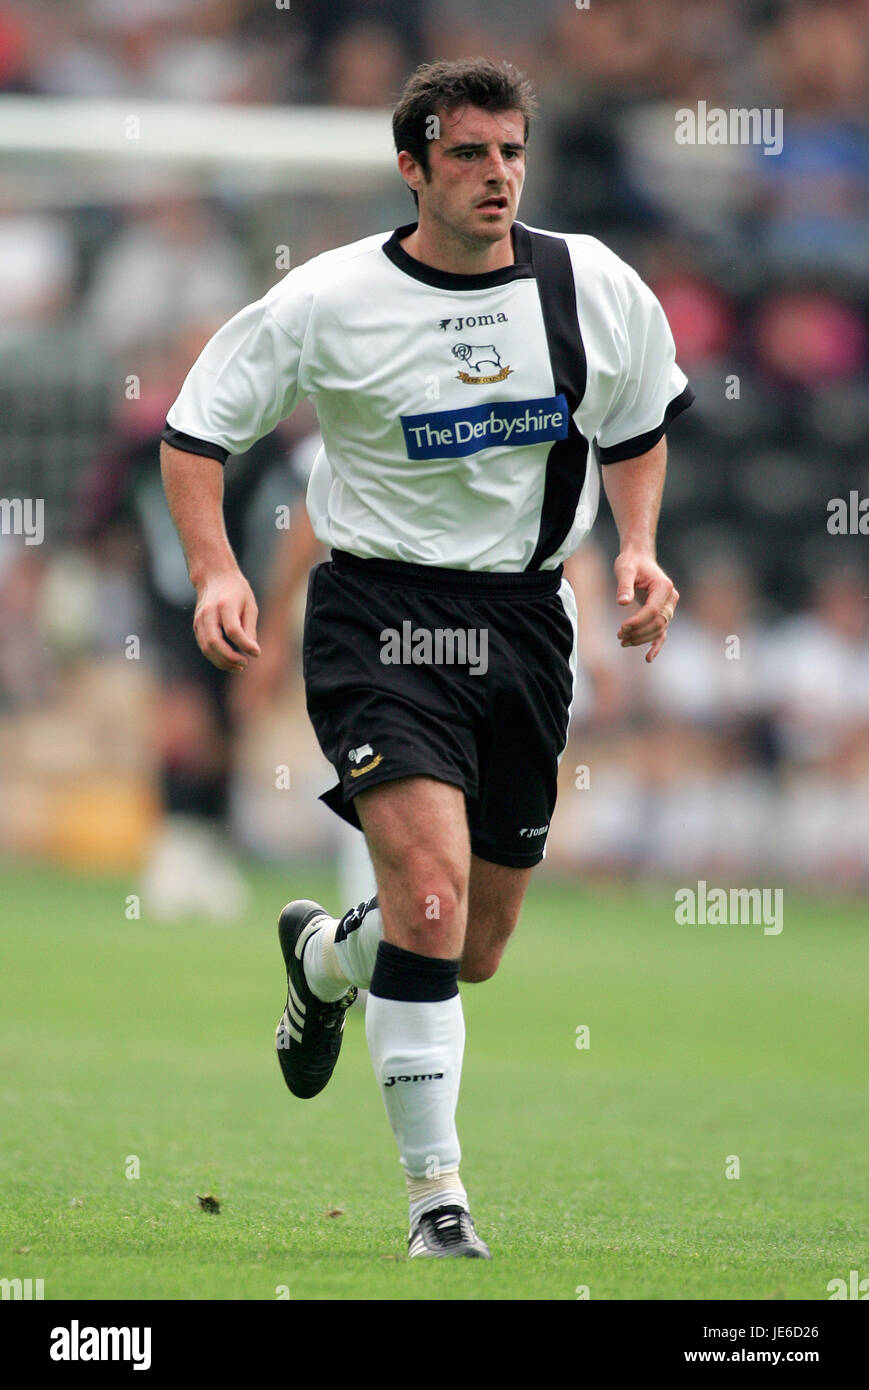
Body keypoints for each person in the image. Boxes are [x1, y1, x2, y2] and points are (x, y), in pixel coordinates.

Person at [160, 58, 692, 1259]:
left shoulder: (586, 281)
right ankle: (435, 1205)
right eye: (467, 154)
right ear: (412, 165)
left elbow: (638, 423)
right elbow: (194, 430)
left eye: (509, 152)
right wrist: (216, 570)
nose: (496, 174)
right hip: (378, 616)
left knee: (473, 942)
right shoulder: (328, 298)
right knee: (433, 894)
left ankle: (321, 957)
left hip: (523, 622)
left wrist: (640, 548)